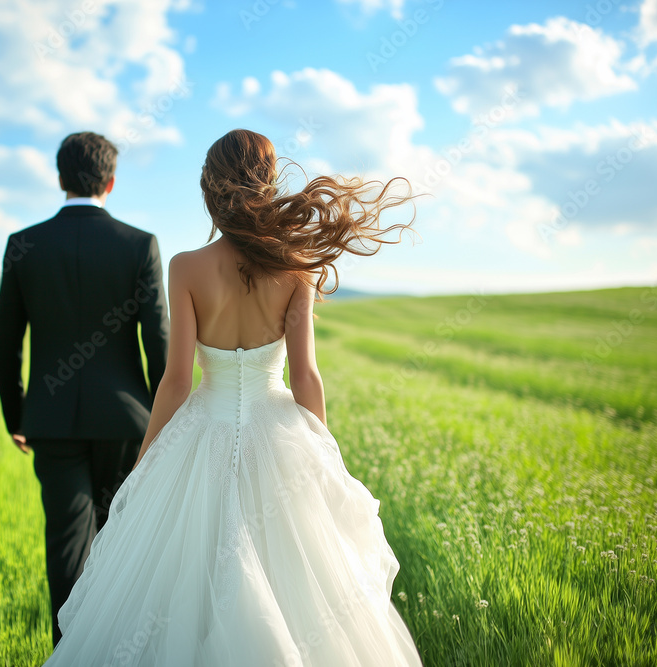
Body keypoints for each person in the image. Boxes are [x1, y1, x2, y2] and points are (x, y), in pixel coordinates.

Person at [42, 128, 423, 665]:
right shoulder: (297, 268)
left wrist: (146, 461)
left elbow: (176, 379)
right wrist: (323, 452)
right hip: (281, 430)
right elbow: (307, 374)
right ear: (268, 186)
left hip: (204, 428)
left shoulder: (186, 267)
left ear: (208, 191)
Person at [0, 131, 169, 648]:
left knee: (66, 550)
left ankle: (69, 654)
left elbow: (7, 343)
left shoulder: (23, 244)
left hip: (51, 422)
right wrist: (167, 416)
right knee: (121, 547)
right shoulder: (140, 244)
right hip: (127, 423)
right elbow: (157, 339)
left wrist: (16, 416)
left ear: (60, 178)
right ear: (111, 182)